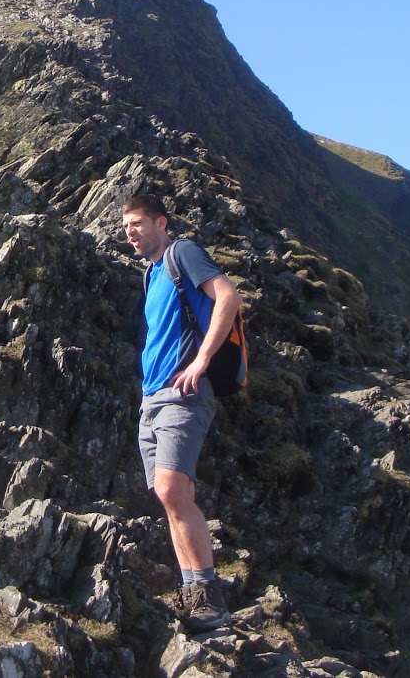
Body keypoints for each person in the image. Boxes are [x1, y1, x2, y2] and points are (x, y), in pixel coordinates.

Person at [121, 192, 241, 633]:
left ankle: (209, 595)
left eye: (137, 224)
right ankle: (194, 594)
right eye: (125, 227)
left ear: (161, 223)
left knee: (174, 489)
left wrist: (201, 360)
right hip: (152, 398)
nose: (130, 233)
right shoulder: (151, 274)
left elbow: (228, 296)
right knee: (169, 496)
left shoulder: (183, 253)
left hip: (183, 392)